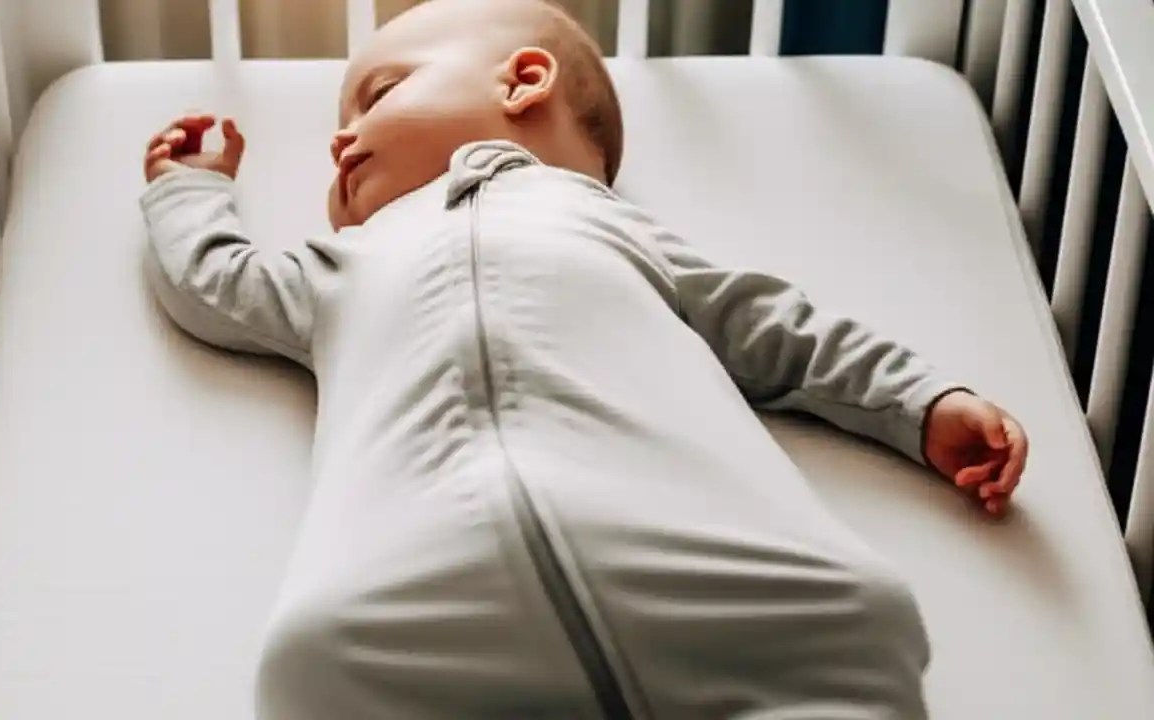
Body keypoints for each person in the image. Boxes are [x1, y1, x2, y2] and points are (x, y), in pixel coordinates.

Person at [139, 0, 1028, 717]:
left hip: (720, 578)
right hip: (420, 600)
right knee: (314, 662)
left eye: (377, 94)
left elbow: (783, 331)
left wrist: (920, 403)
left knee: (845, 619)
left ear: (525, 81)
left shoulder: (615, 227)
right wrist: (190, 190)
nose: (340, 139)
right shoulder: (337, 265)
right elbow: (216, 283)